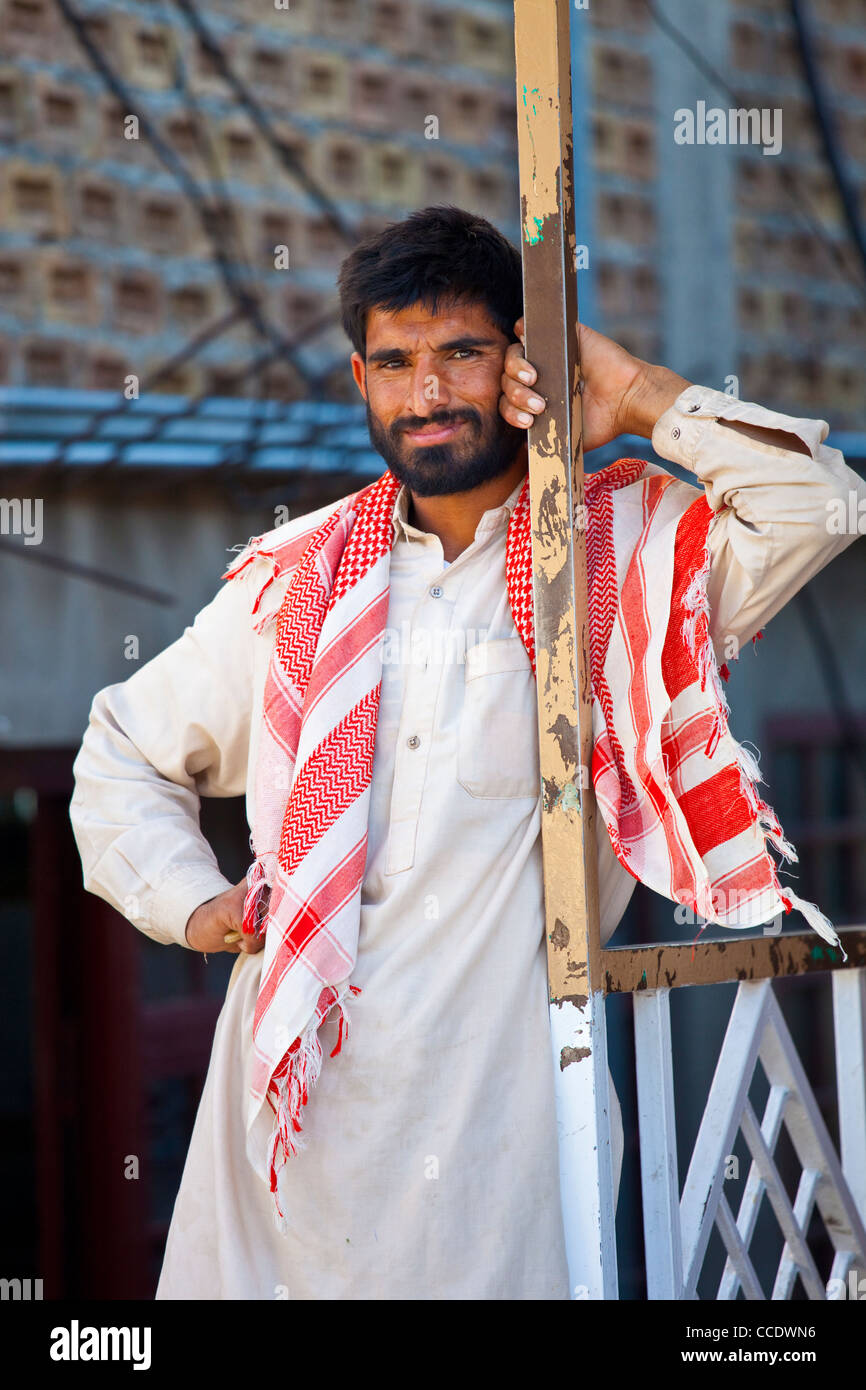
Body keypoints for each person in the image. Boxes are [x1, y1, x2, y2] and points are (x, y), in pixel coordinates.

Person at [70, 205, 866, 1300]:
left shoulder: (612, 562)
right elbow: (120, 747)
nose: (426, 393)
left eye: (460, 353)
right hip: (285, 1149)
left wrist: (633, 396)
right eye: (393, 362)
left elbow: (816, 505)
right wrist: (190, 902)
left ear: (520, 363)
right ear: (359, 380)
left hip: (499, 1152)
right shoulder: (299, 585)